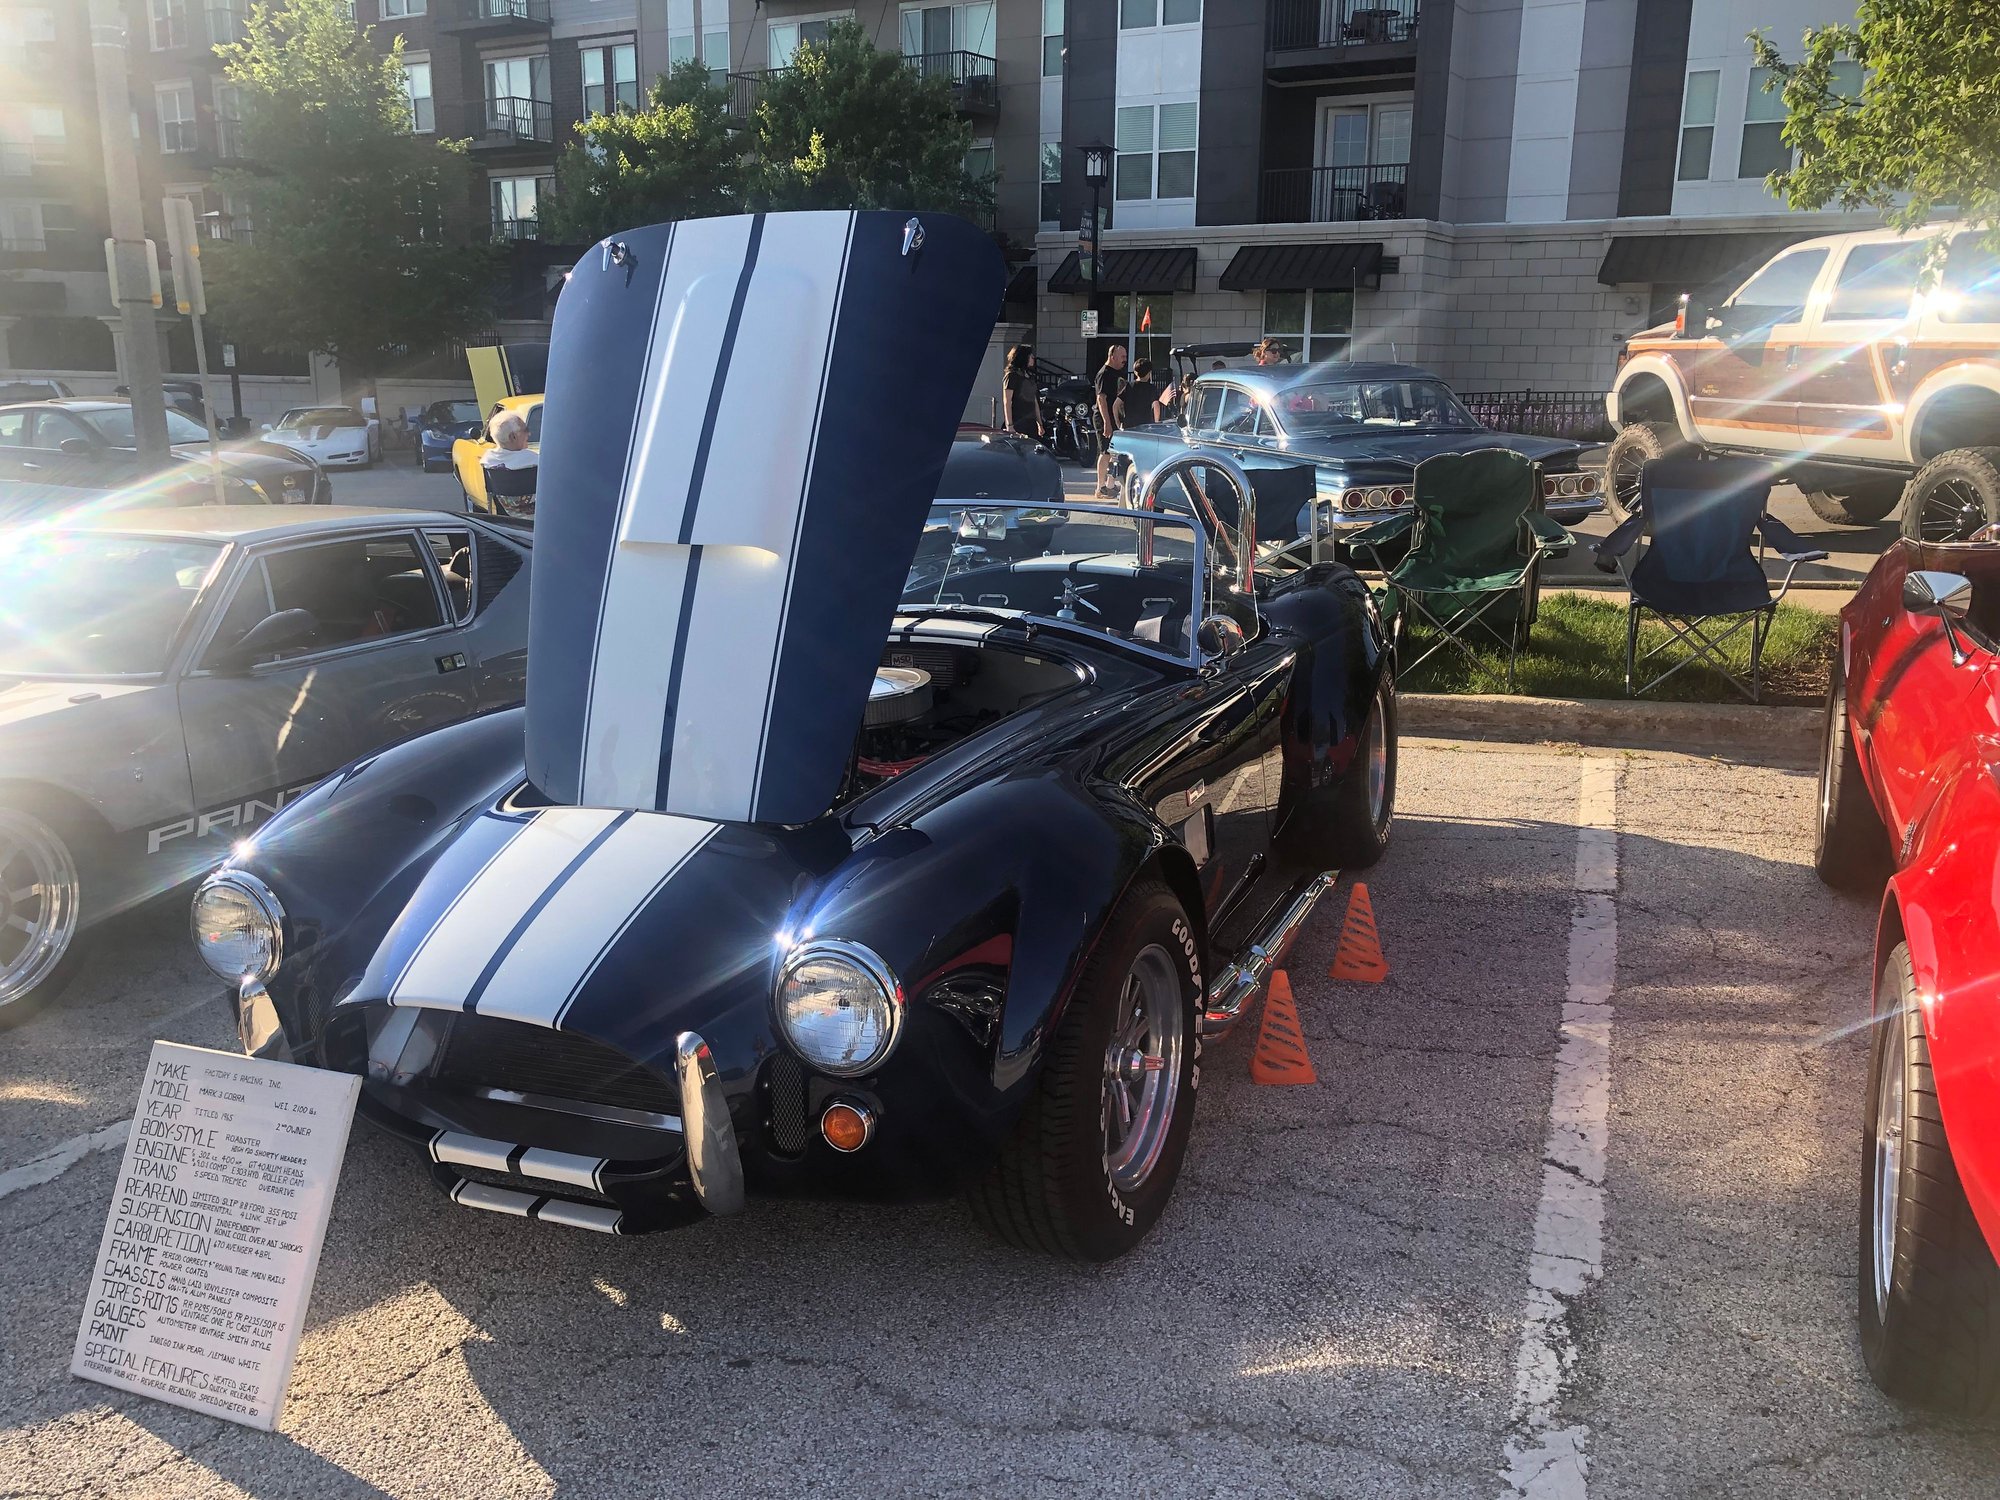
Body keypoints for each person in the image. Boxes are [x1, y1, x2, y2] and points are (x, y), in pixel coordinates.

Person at [480, 410, 538, 518]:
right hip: (541, 521)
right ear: (513, 437)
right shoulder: (536, 462)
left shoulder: (488, 462)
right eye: (526, 430)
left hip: (509, 523)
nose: (529, 433)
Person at [1093, 344, 1128, 496]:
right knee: (1105, 451)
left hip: (1115, 417)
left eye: (1125, 357)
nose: (1125, 360)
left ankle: (1110, 485)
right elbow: (1101, 399)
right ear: (1112, 357)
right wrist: (1107, 422)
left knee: (1114, 452)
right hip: (1104, 417)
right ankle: (1100, 487)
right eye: (1122, 357)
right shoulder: (1104, 374)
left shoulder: (1116, 373)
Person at [999, 344, 1046, 443]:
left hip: (1030, 422)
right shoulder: (1011, 376)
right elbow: (1007, 402)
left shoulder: (1029, 376)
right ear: (1023, 357)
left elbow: (1034, 401)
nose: (1033, 358)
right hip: (1017, 422)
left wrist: (1040, 424)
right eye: (1030, 356)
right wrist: (1009, 425)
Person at [1116, 358, 1163, 432]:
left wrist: (1118, 423)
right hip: (1145, 427)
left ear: (1135, 372)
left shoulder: (1129, 386)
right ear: (1149, 373)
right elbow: (1156, 406)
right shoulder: (1151, 388)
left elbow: (1115, 405)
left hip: (1129, 427)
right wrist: (1156, 423)